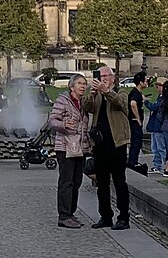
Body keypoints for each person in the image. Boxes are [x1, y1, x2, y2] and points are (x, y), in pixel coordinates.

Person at [81, 66, 132, 231]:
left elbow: (121, 103)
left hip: (117, 144)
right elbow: (87, 107)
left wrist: (106, 91)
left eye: (104, 76)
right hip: (100, 145)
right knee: (101, 183)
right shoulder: (97, 95)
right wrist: (92, 94)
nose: (102, 79)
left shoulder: (121, 92)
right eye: (99, 76)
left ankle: (123, 217)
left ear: (112, 78)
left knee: (119, 182)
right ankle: (105, 216)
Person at [47, 73, 90, 229]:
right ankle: (64, 215)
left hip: (80, 147)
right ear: (71, 86)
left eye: (84, 83)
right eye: (79, 83)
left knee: (77, 181)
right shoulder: (63, 101)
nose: (83, 86)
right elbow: (52, 120)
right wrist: (64, 124)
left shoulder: (83, 102)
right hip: (65, 146)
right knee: (66, 181)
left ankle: (71, 213)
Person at [126, 77, 148, 171]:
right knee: (136, 142)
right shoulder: (135, 93)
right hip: (134, 121)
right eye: (145, 80)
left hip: (134, 120)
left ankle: (133, 160)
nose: (147, 82)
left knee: (136, 142)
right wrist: (137, 117)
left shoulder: (137, 93)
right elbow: (133, 103)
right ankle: (133, 162)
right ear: (140, 82)